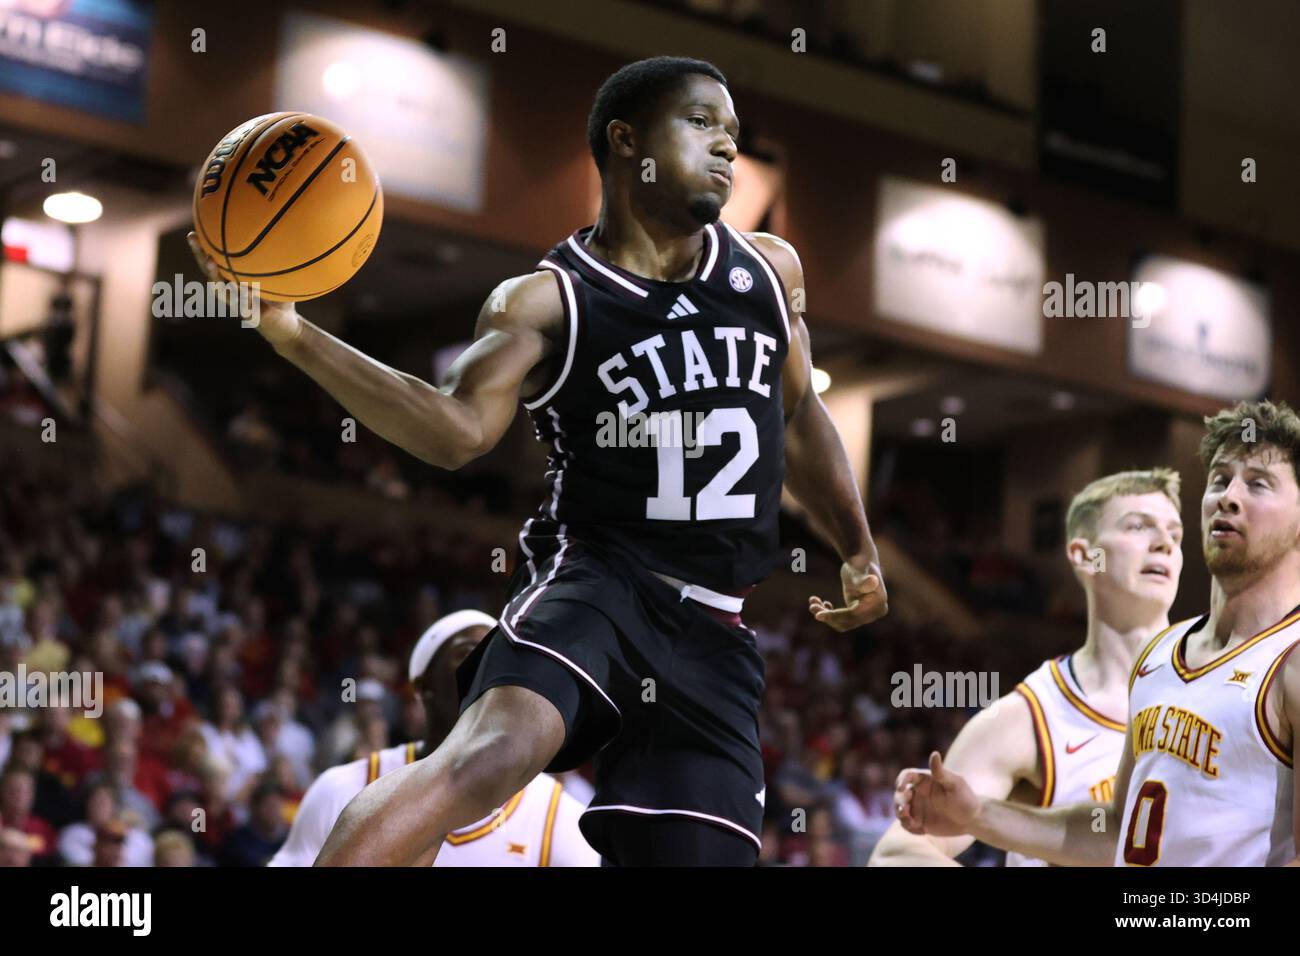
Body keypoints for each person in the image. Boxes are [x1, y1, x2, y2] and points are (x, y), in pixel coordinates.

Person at [190, 55, 887, 867]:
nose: (727, 148)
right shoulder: (548, 299)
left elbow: (798, 414)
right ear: (627, 141)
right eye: (701, 124)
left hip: (716, 629)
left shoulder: (770, 271)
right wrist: (295, 335)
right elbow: (454, 430)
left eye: (732, 133)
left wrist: (857, 543)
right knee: (488, 758)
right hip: (601, 585)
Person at [895, 400, 1300, 867]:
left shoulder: (1290, 659)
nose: (1228, 496)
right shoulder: (1160, 655)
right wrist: (977, 814)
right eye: (1219, 479)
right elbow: (1114, 830)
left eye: (1258, 484)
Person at [871, 469, 1183, 865]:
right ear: (1085, 555)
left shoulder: (1221, 685)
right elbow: (900, 851)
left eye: (1175, 535)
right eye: (1138, 526)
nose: (1163, 544)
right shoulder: (1032, 715)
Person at [269, 610, 599, 866]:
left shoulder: (556, 813)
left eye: (497, 657)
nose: (487, 666)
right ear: (423, 685)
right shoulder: (341, 788)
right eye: (469, 652)